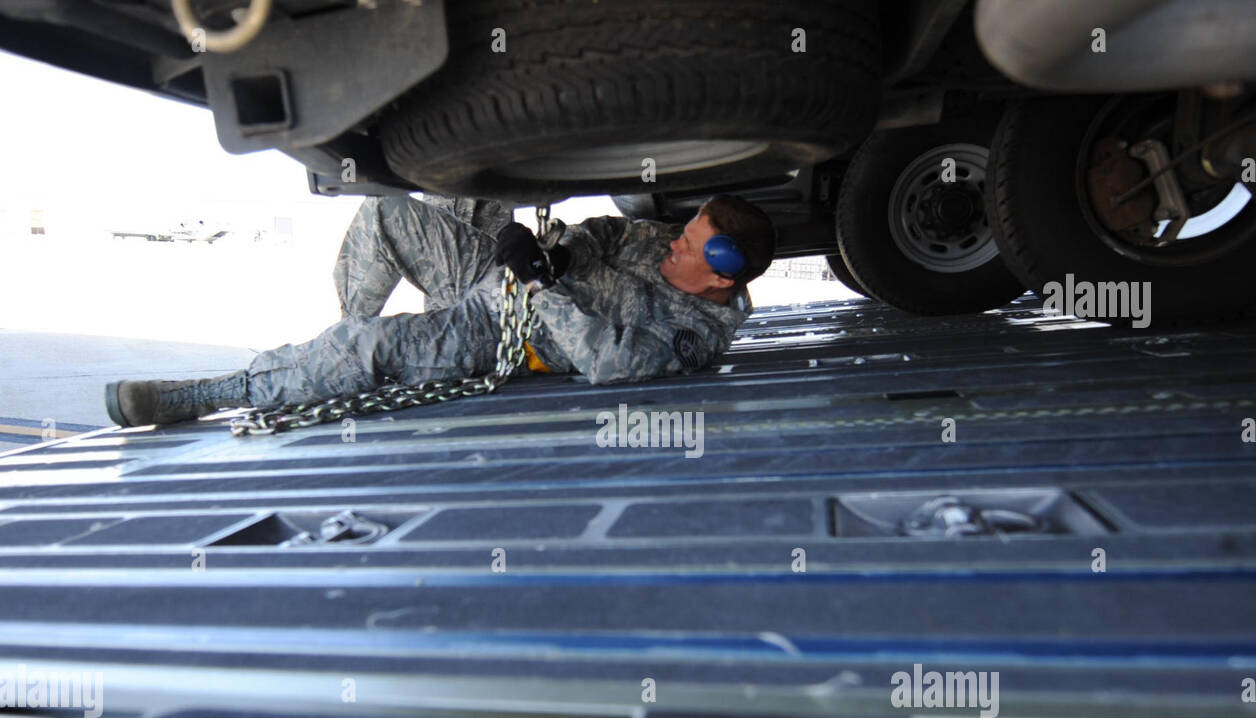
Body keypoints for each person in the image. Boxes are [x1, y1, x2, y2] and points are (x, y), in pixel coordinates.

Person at [103, 193, 777, 427]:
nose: (671, 245)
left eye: (686, 247)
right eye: (680, 233)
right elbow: (610, 231)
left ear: (720, 278)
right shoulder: (670, 245)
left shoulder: (690, 335)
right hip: (502, 284)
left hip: (501, 334)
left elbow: (609, 366)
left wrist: (543, 289)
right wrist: (559, 254)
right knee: (392, 213)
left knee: (376, 351)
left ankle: (211, 393)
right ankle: (337, 343)